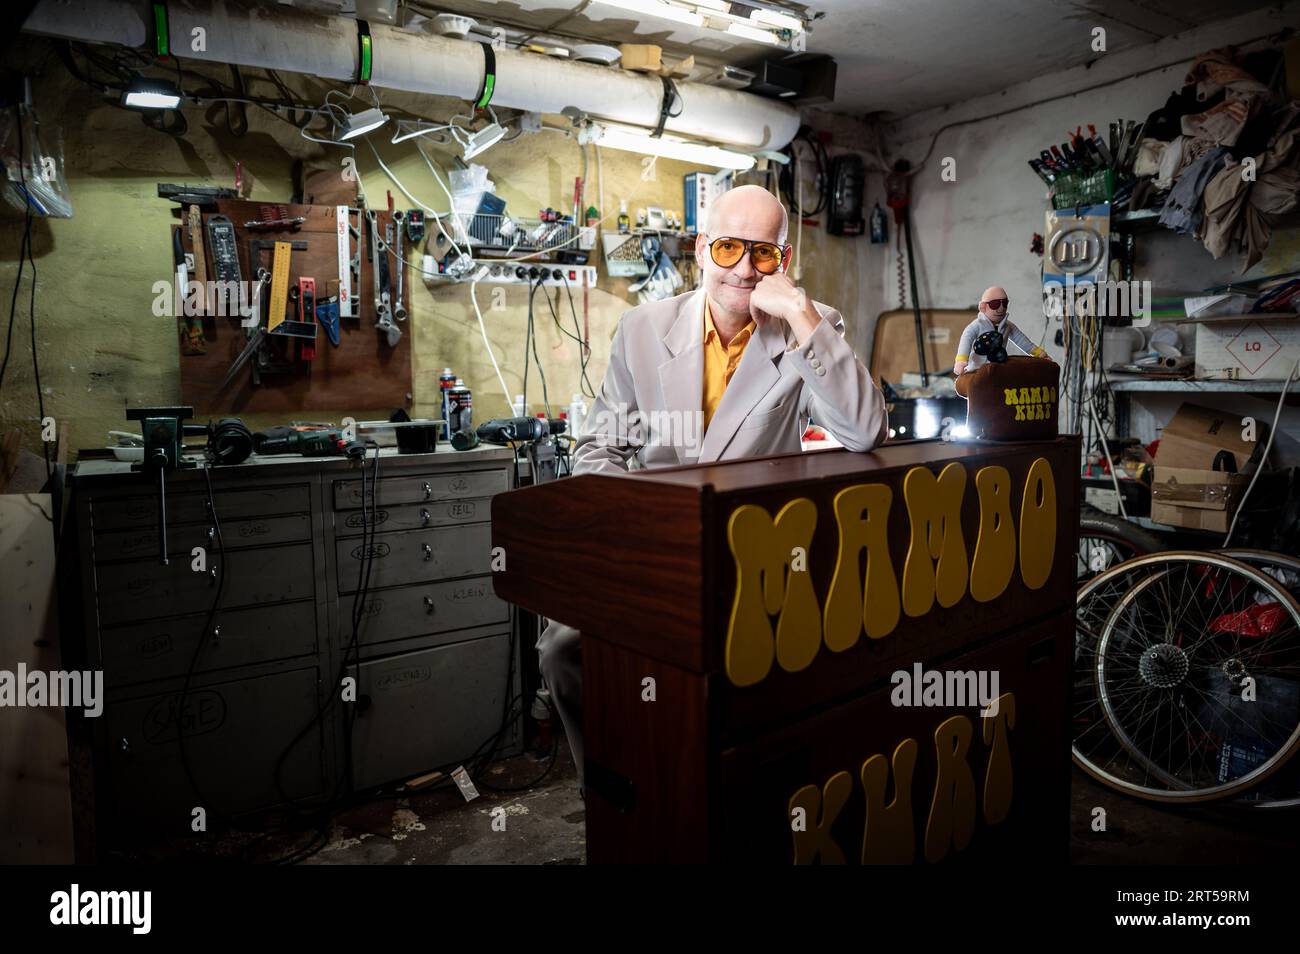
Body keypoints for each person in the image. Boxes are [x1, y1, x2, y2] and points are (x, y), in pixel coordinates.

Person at [537, 184, 889, 794]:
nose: (745, 270)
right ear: (702, 249)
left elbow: (864, 430)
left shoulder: (809, 328)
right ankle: (620, 798)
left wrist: (800, 312)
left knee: (742, 685)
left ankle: (727, 798)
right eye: (729, 248)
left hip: (754, 559)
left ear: (783, 260)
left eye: (764, 254)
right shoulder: (643, 329)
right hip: (654, 547)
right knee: (563, 651)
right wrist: (633, 527)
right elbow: (598, 448)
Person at [953, 286, 1047, 376]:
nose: (1001, 308)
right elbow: (966, 340)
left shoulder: (1008, 326)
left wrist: (1039, 353)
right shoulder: (977, 325)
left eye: (1004, 303)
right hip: (976, 369)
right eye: (995, 304)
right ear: (983, 307)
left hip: (999, 367)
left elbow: (1021, 340)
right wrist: (961, 360)